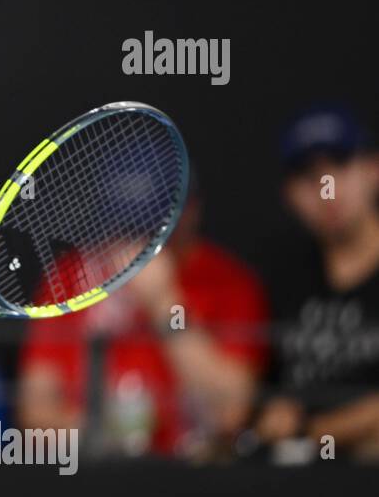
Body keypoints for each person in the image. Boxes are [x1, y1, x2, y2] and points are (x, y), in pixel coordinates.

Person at [16, 174, 269, 459]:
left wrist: (164, 303)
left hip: (189, 470)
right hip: (95, 469)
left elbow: (230, 414)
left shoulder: (227, 283)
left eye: (154, 230)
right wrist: (102, 432)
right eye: (123, 228)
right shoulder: (71, 277)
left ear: (189, 214)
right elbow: (35, 416)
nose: (136, 247)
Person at [256, 104, 379, 460]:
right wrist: (274, 413)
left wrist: (313, 430)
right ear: (289, 195)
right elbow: (253, 394)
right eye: (309, 177)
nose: (327, 188)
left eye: (340, 166)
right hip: (293, 477)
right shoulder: (280, 278)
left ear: (373, 169)